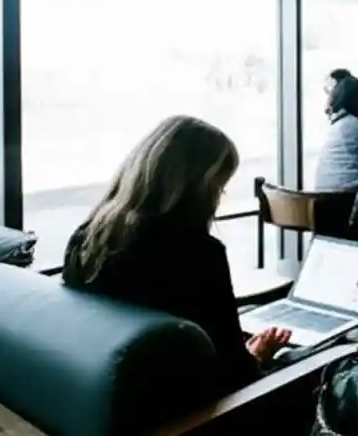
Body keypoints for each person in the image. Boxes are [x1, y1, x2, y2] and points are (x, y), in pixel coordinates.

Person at [62, 115, 291, 396]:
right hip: (188, 413)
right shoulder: (200, 255)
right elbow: (236, 374)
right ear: (196, 187)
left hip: (105, 396)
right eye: (219, 185)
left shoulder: (86, 239)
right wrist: (256, 354)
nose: (220, 196)